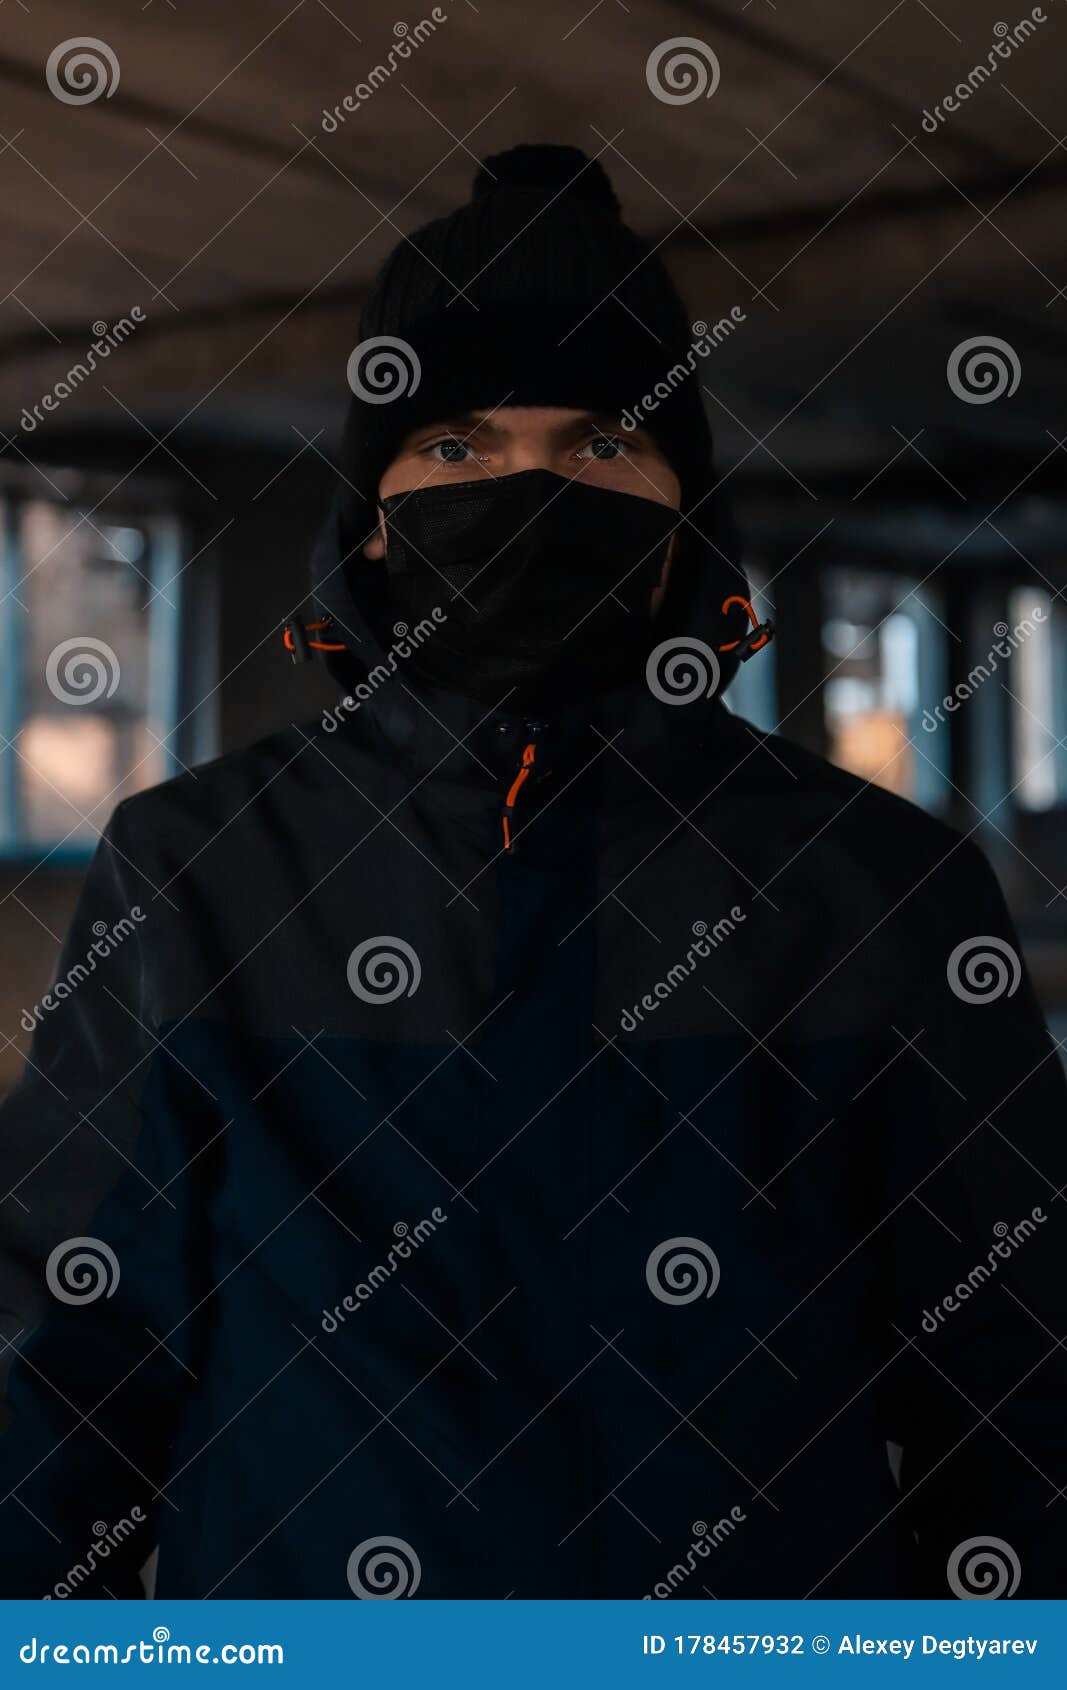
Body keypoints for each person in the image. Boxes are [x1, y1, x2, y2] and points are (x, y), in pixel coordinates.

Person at [0, 144, 1063, 1601]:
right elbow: (58, 1363)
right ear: (370, 514)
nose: (527, 493)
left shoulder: (879, 888)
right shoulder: (202, 872)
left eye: (600, 445)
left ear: (682, 515)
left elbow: (1019, 1379)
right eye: (456, 448)